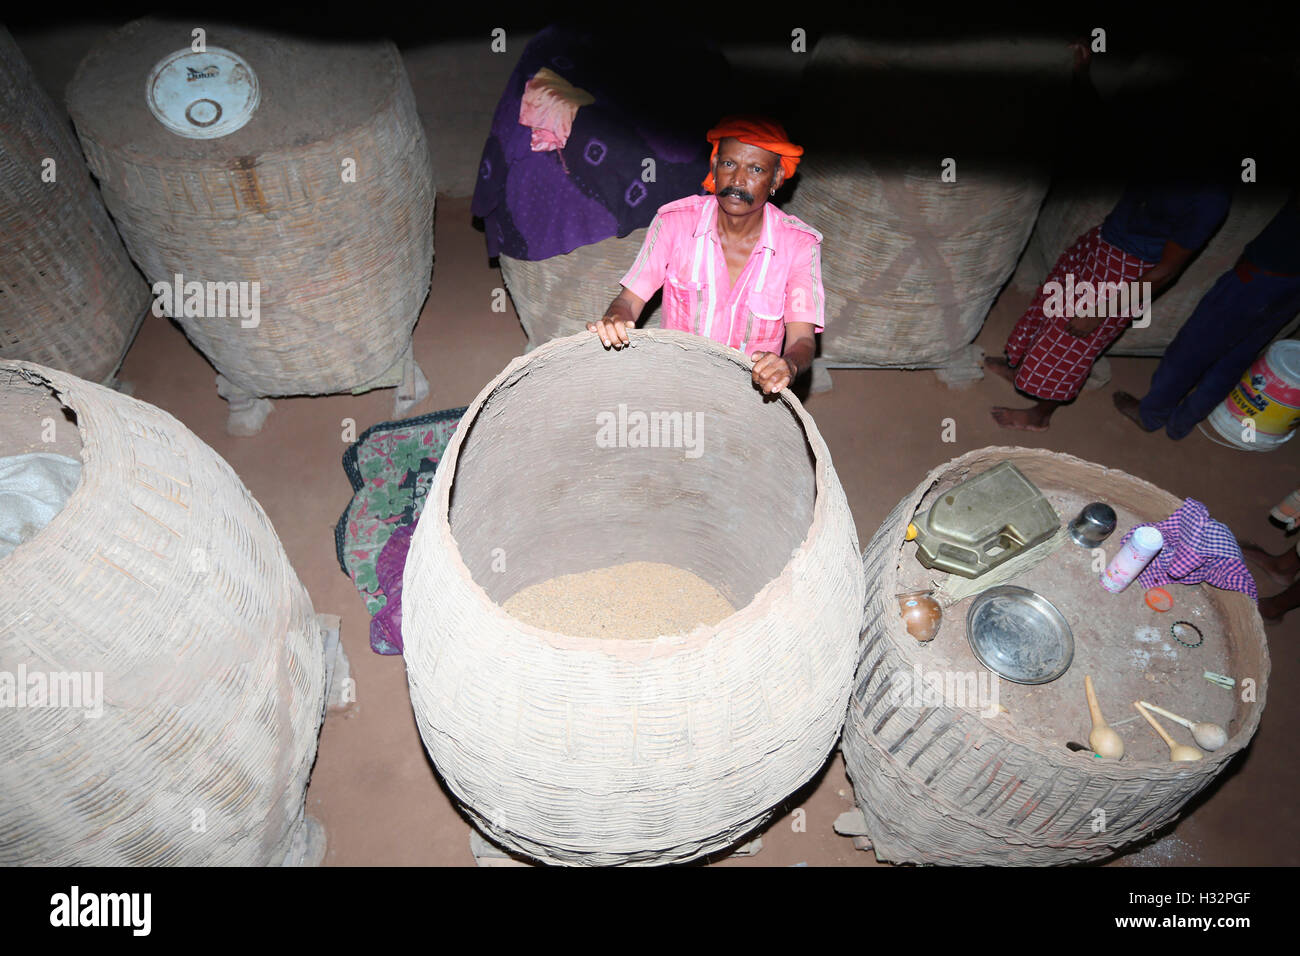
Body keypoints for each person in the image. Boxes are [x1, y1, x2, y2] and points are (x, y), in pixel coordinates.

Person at [587, 116, 824, 395]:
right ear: (714, 166)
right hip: (677, 381)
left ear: (776, 179)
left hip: (753, 395)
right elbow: (628, 301)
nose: (737, 180)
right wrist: (616, 317)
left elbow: (802, 340)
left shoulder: (799, 244)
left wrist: (787, 365)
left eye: (756, 169)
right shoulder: (674, 223)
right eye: (728, 164)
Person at [988, 177, 1232, 430]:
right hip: (1104, 242)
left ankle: (1041, 415)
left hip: (1129, 273)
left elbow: (1166, 271)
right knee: (1049, 307)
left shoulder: (1209, 197)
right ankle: (1022, 372)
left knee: (1070, 347)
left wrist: (1100, 312)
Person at [1114, 189, 1300, 438]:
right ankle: (1182, 423)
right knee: (1236, 356)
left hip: (1261, 277)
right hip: (1292, 288)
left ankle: (1151, 414)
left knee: (1191, 349)